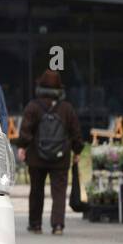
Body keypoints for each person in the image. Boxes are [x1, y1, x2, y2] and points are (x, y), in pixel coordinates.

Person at [15, 69, 83, 234]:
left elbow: (25, 130)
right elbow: (75, 132)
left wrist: (22, 147)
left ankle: (35, 224)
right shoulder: (66, 108)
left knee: (36, 190)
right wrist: (77, 150)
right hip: (61, 157)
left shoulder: (33, 106)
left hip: (36, 157)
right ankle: (57, 225)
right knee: (59, 192)